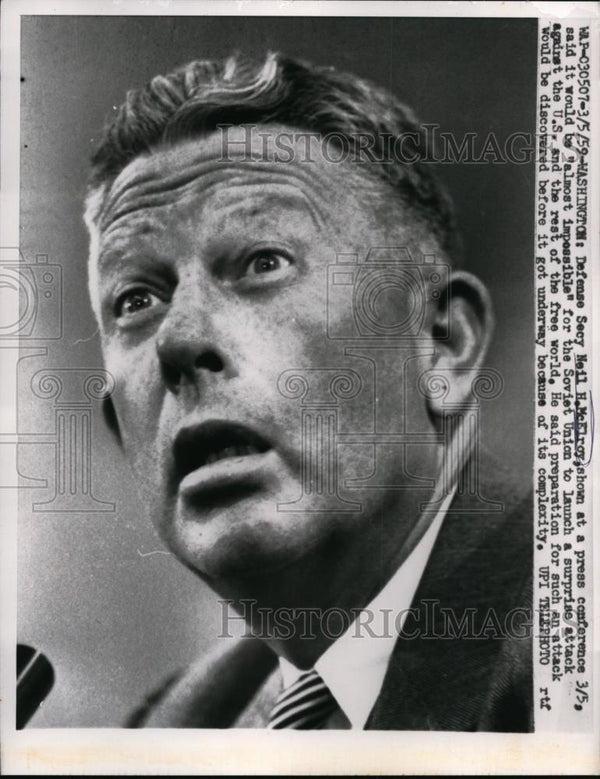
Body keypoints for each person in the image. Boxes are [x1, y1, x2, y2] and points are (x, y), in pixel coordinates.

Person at [84, 52, 533, 731]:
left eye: (263, 262)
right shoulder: (177, 725)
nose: (177, 341)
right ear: (121, 428)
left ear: (441, 343)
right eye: (136, 298)